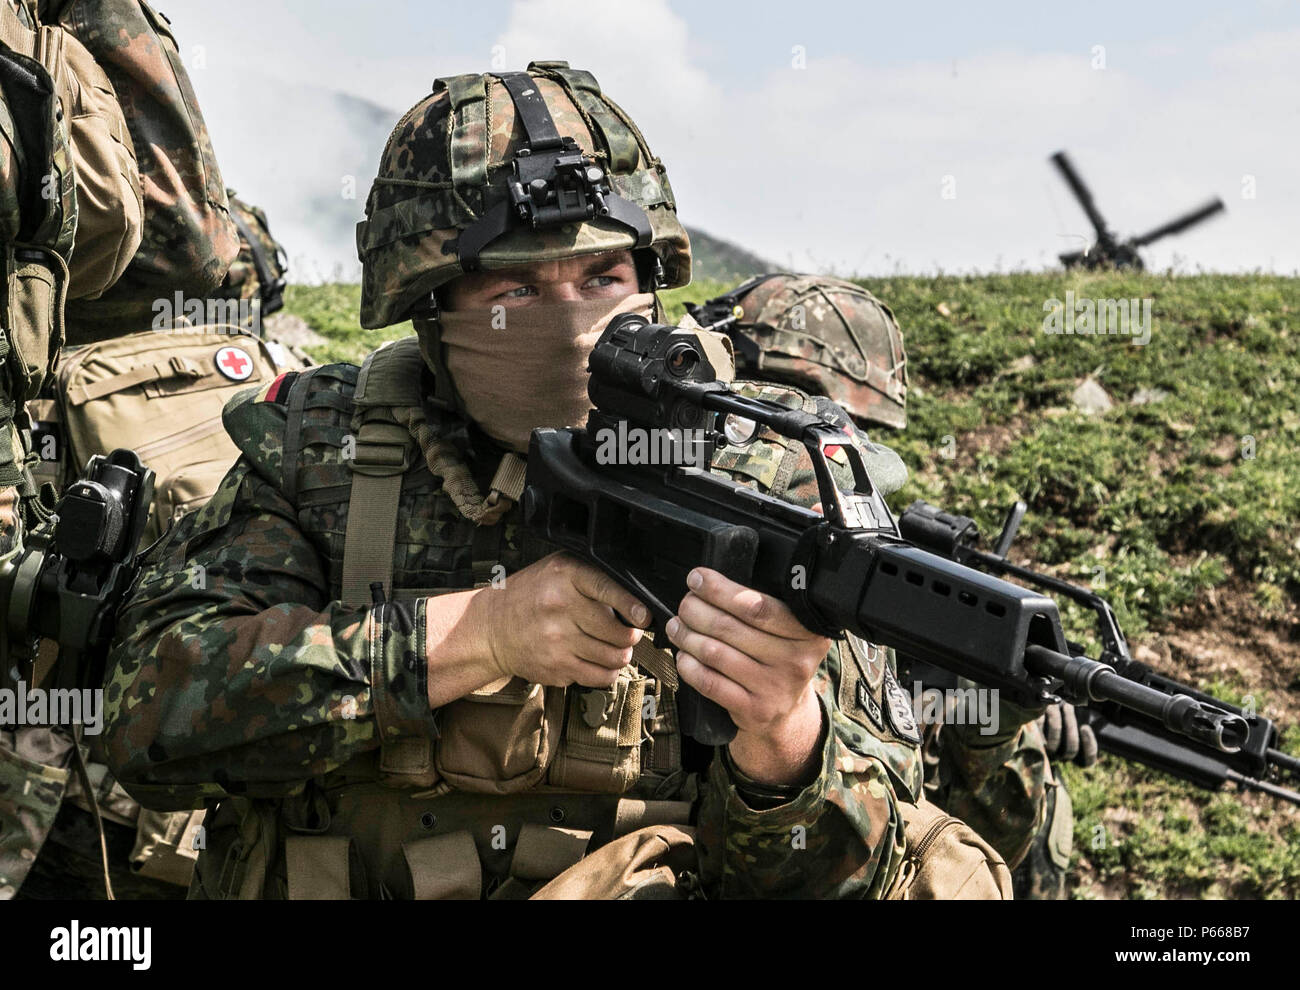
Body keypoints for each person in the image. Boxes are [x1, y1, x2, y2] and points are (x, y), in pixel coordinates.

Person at [99, 62, 980, 900]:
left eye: (602, 278)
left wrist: (783, 740)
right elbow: (148, 720)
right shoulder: (323, 443)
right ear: (431, 304)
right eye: (513, 291)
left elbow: (861, 875)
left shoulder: (757, 471)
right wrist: (472, 636)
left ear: (650, 281)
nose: (570, 326)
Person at [699, 271, 1097, 897]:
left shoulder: (890, 573)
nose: (812, 441)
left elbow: (978, 831)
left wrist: (994, 726)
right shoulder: (672, 517)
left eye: (847, 426)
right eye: (783, 398)